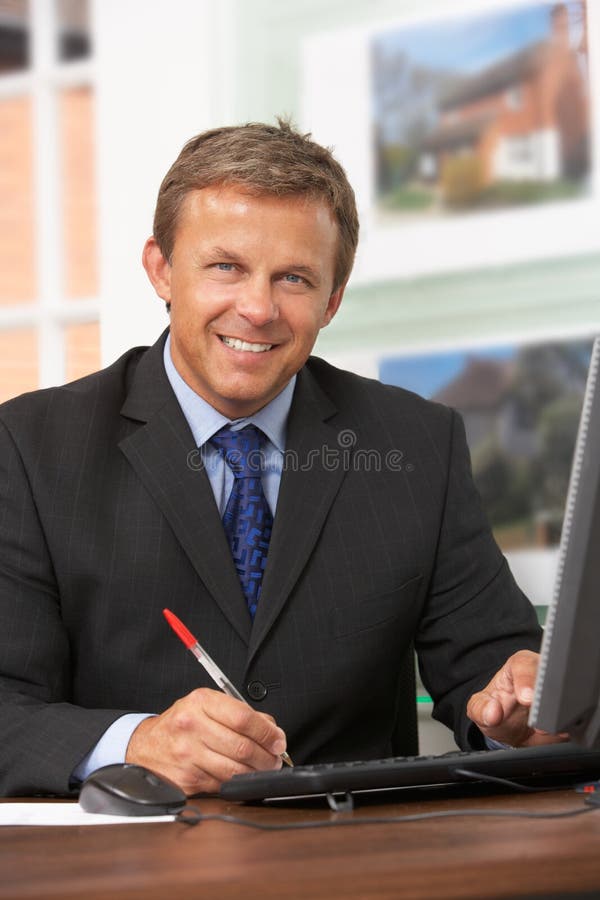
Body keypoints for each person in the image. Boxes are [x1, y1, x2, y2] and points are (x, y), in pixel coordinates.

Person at [0, 120, 560, 798]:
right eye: (226, 267)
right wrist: (134, 741)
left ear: (332, 300)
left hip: (360, 858)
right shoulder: (29, 446)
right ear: (160, 269)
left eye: (293, 278)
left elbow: (488, 661)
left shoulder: (417, 441)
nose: (258, 309)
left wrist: (519, 706)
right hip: (127, 861)